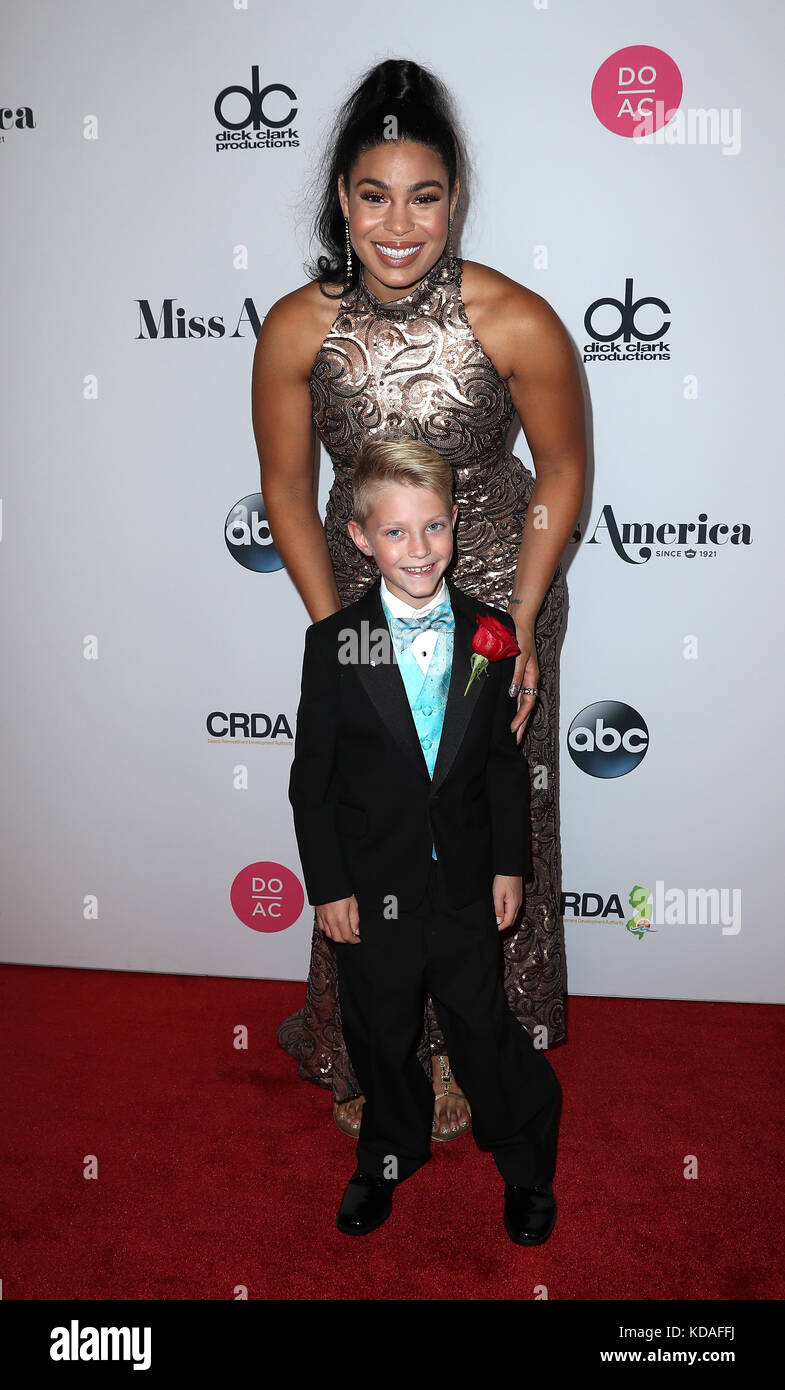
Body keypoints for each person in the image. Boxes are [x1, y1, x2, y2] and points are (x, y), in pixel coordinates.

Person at [251, 57, 585, 1142]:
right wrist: (333, 636)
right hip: (365, 604)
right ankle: (368, 1038)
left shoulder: (512, 318)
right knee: (374, 818)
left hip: (494, 602)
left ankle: (474, 1041)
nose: (399, 224)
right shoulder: (297, 329)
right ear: (340, 197)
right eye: (373, 193)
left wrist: (523, 620)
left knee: (480, 816)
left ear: (457, 199)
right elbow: (287, 495)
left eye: (425, 194)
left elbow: (563, 477)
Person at [288, 439, 562, 1240]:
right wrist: (328, 886)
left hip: (464, 878)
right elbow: (314, 780)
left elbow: (503, 768)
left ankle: (522, 1161)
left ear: (453, 525)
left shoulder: (490, 634)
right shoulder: (334, 643)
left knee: (479, 1022)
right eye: (397, 533)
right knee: (381, 1026)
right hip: (371, 883)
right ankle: (388, 1154)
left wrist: (510, 864)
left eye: (433, 527)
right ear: (360, 538)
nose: (419, 549)